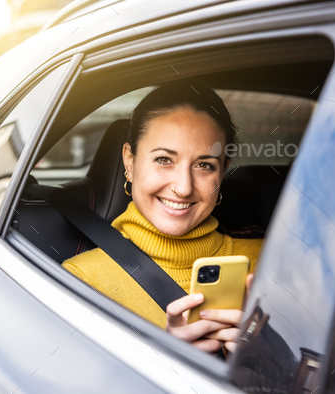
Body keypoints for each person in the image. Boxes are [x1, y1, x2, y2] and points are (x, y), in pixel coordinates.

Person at [62, 81, 262, 354]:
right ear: (129, 162)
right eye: (164, 160)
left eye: (204, 165)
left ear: (223, 172)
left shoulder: (268, 265)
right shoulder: (81, 281)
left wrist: (262, 359)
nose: (184, 187)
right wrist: (167, 359)